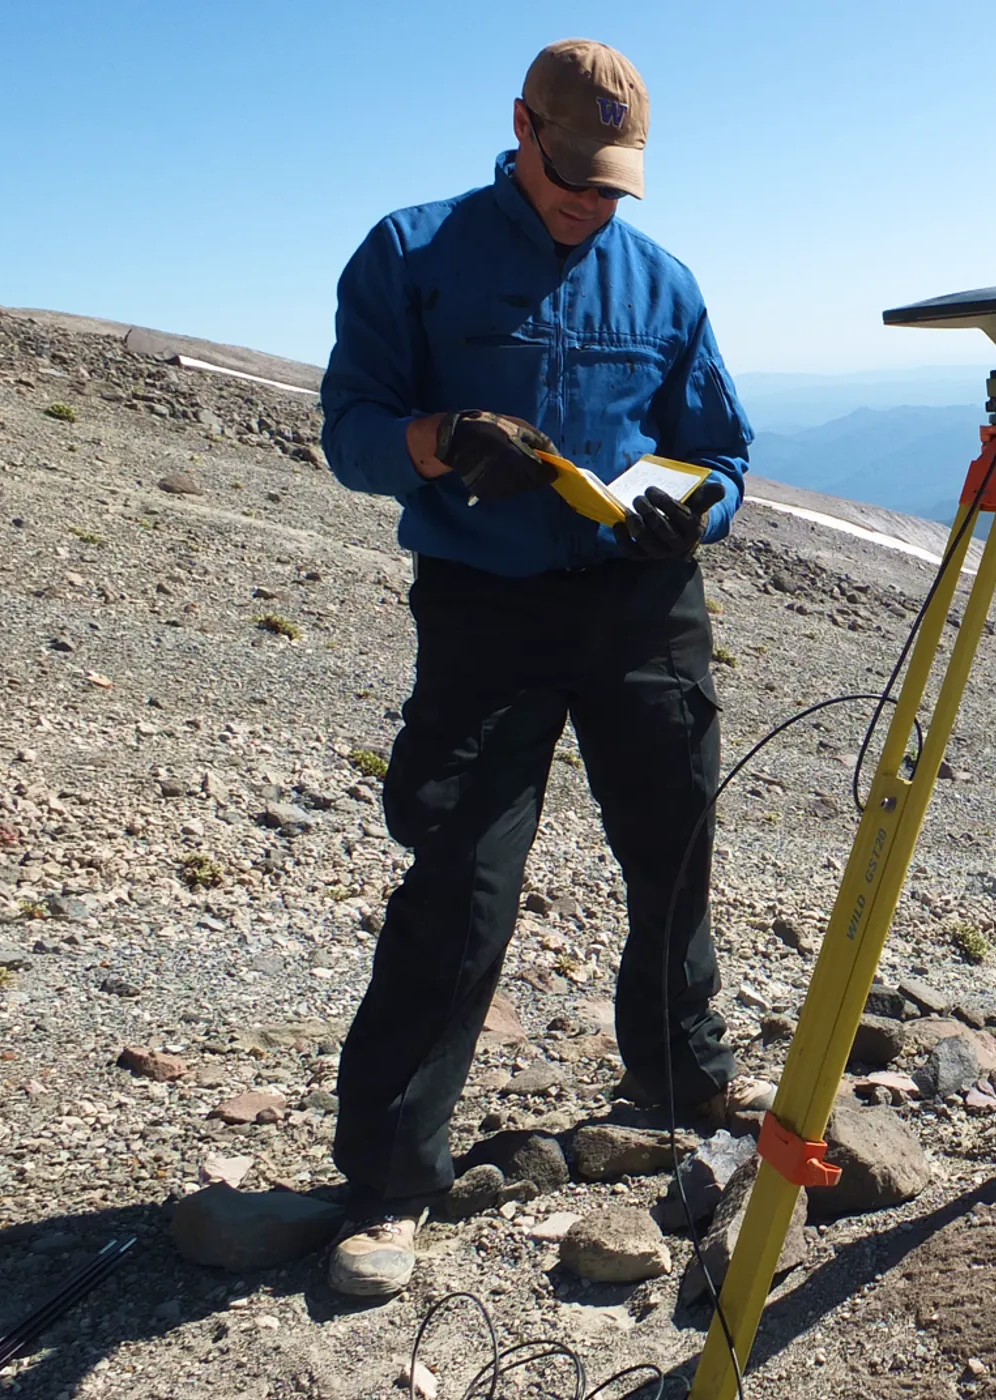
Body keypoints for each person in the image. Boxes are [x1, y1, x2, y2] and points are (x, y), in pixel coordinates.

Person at [316, 37, 767, 1299]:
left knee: (675, 845)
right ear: (520, 126)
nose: (592, 201)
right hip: (486, 613)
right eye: (574, 174)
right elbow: (350, 432)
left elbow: (720, 447)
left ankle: (679, 1079)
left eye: (615, 185)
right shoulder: (410, 253)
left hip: (643, 605)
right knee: (461, 875)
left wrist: (702, 507)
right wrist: (445, 439)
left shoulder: (662, 282)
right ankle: (392, 1178)